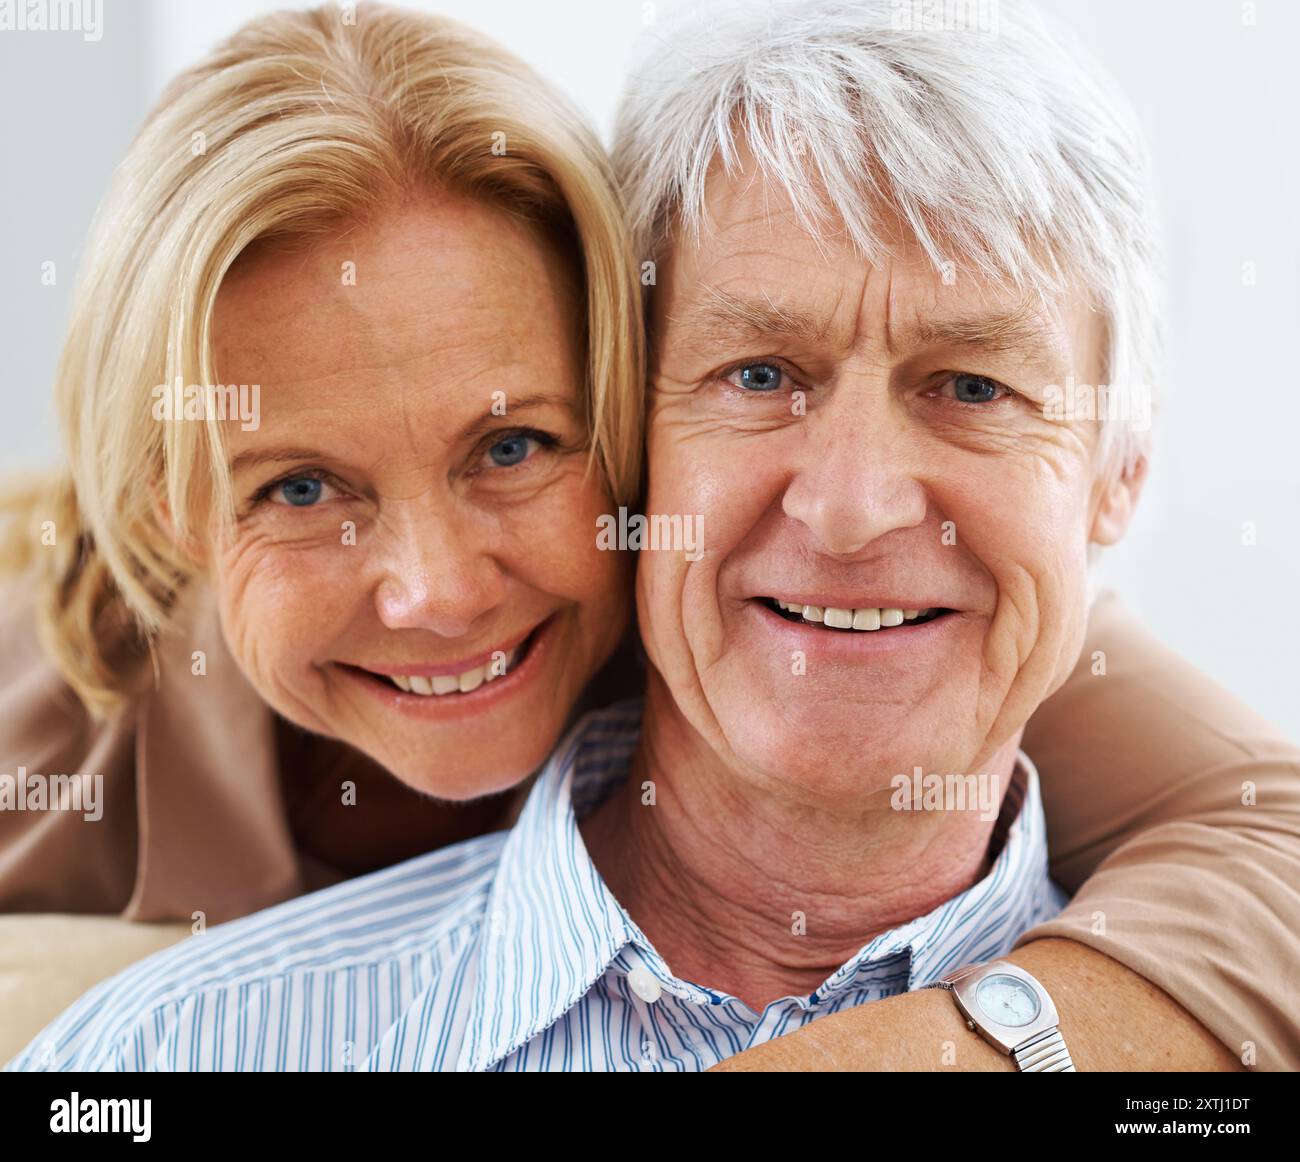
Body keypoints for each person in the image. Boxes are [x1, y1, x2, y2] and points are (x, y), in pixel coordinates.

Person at [8, 0, 1296, 1072]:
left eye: (512, 449)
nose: (439, 590)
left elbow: (1274, 833)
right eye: (756, 374)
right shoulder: (139, 988)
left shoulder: (931, 626)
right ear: (170, 508)